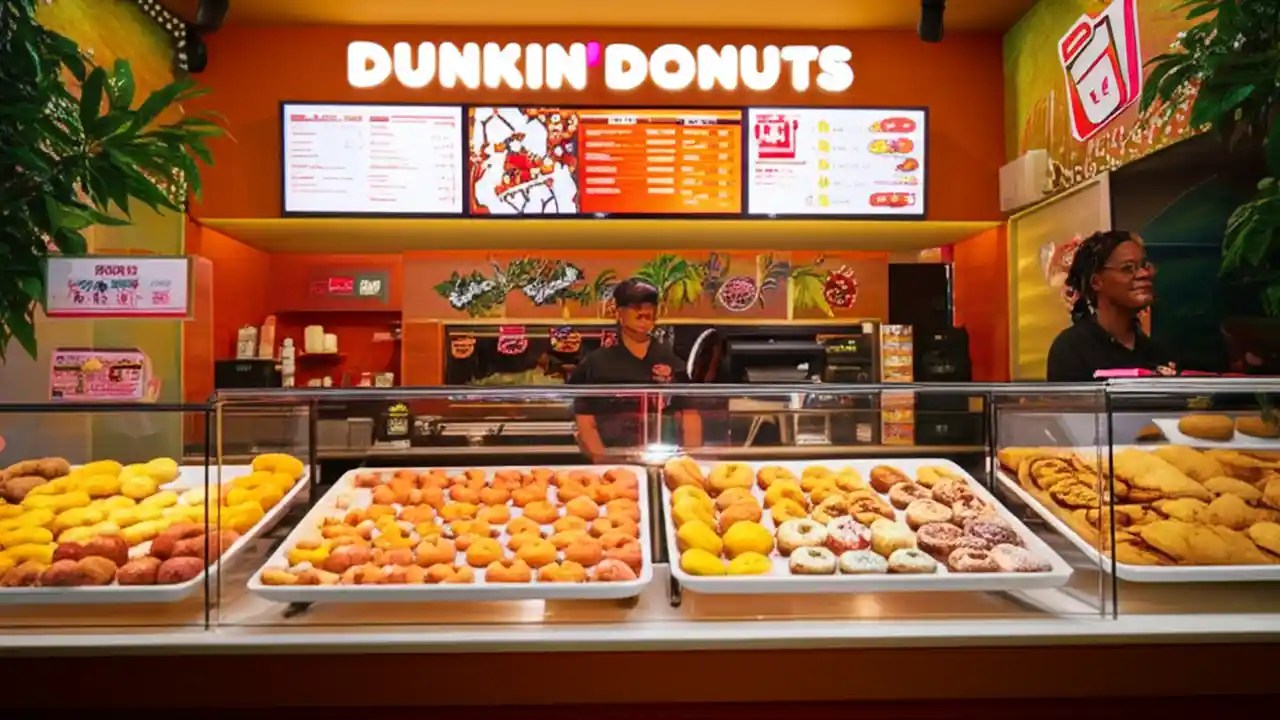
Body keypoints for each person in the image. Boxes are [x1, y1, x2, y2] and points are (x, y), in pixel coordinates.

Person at [568, 278, 702, 460]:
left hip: (664, 457)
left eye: (648, 309)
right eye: (636, 308)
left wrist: (689, 459)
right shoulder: (597, 362)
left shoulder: (671, 360)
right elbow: (585, 420)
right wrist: (603, 461)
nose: (644, 315)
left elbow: (690, 415)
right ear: (619, 313)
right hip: (613, 458)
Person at [1046, 230, 1177, 381]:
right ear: (1096, 282)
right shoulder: (1071, 349)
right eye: (1128, 268)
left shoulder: (1157, 353)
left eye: (1145, 266)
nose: (1144, 274)